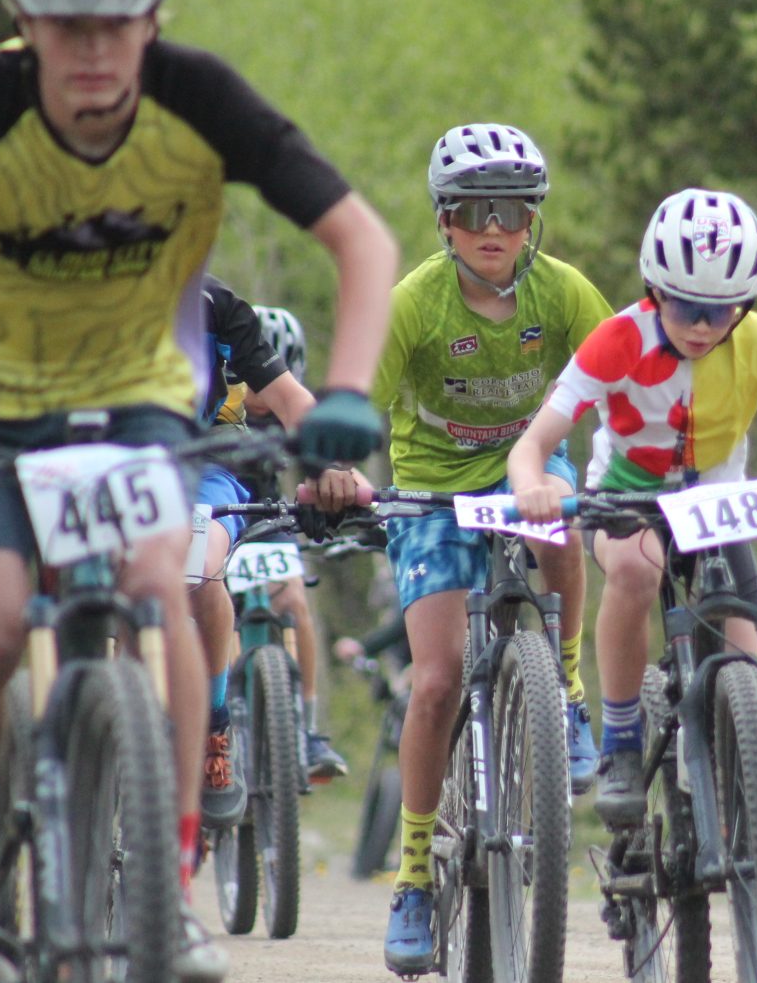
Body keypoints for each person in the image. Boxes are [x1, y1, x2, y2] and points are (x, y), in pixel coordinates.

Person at [0, 0, 397, 980]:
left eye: (117, 23)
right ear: (24, 23)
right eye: (66, 27)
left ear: (154, 21)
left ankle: (170, 887)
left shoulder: (200, 99)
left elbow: (359, 239)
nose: (93, 51)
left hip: (141, 397)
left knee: (167, 583)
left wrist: (351, 394)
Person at [508, 187, 757, 830]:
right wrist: (532, 486)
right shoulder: (617, 340)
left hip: (715, 501)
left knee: (751, 663)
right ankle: (623, 741)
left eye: (722, 312)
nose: (702, 326)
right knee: (634, 570)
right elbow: (535, 444)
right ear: (655, 291)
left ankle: (753, 811)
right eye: (686, 306)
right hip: (627, 492)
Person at [371, 122, 610, 977]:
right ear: (445, 220)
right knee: (435, 681)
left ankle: (569, 687)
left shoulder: (565, 292)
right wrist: (335, 471)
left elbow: (622, 378)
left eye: (513, 208)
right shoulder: (415, 302)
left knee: (567, 528)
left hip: (525, 472)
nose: (494, 225)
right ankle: (413, 877)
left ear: (532, 218)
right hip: (432, 486)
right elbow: (361, 401)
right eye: (474, 207)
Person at [189, 281, 361, 831]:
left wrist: (333, 468)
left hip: (201, 471)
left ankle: (218, 726)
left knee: (205, 568)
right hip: (105, 460)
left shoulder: (219, 306)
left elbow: (293, 402)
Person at [242, 303, 351, 783]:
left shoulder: (294, 412)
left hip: (268, 518)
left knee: (294, 599)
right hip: (216, 518)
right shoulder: (217, 406)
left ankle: (305, 727)